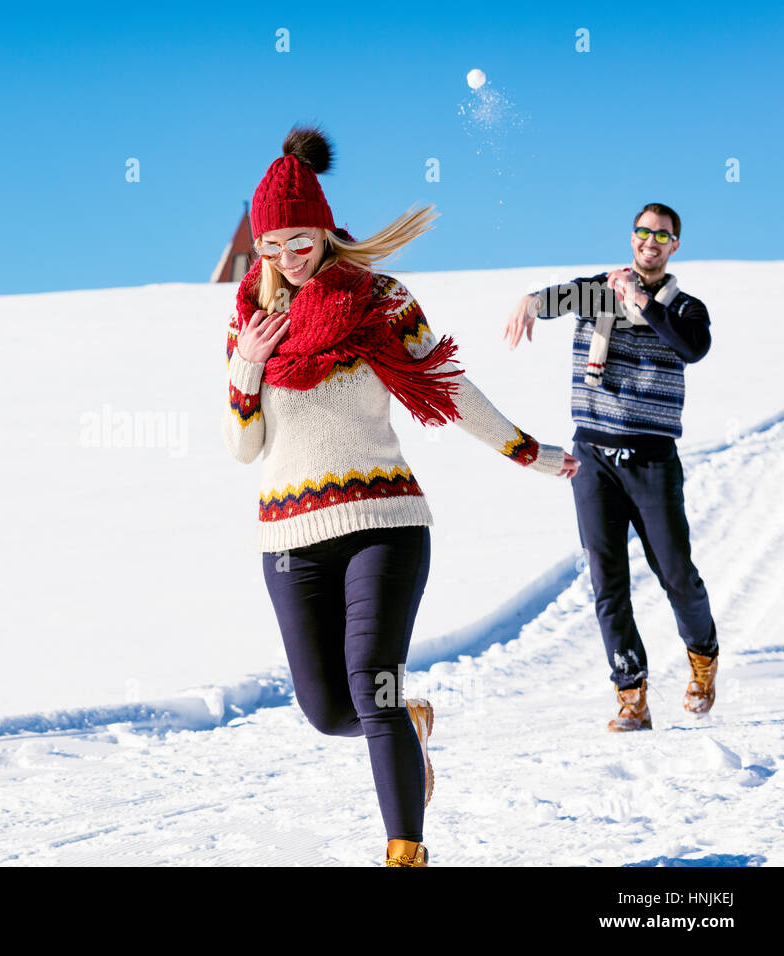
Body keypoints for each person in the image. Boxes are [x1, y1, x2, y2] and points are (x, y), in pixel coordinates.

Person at [221, 125, 578, 867]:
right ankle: (412, 728)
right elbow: (243, 446)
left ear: (324, 231)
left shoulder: (379, 300)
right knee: (326, 713)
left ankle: (405, 852)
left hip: (385, 525)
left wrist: (526, 450)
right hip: (288, 540)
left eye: (299, 242)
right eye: (271, 247)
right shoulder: (252, 319)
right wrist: (247, 369)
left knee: (372, 689)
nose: (287, 259)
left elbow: (445, 384)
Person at [503, 203, 718, 732]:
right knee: (607, 581)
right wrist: (530, 301)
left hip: (651, 458)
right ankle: (631, 695)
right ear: (632, 238)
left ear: (674, 247)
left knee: (675, 574)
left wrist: (642, 301)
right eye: (643, 232)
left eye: (662, 235)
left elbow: (694, 347)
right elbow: (556, 299)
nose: (651, 241)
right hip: (594, 456)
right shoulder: (599, 290)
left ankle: (703, 655)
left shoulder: (686, 308)